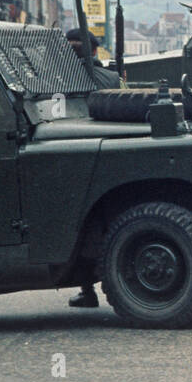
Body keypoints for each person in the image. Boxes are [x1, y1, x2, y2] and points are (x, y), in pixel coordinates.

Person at [65, 28, 123, 309]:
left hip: (75, 158)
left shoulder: (61, 79)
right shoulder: (111, 78)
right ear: (96, 52)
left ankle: (87, 290)